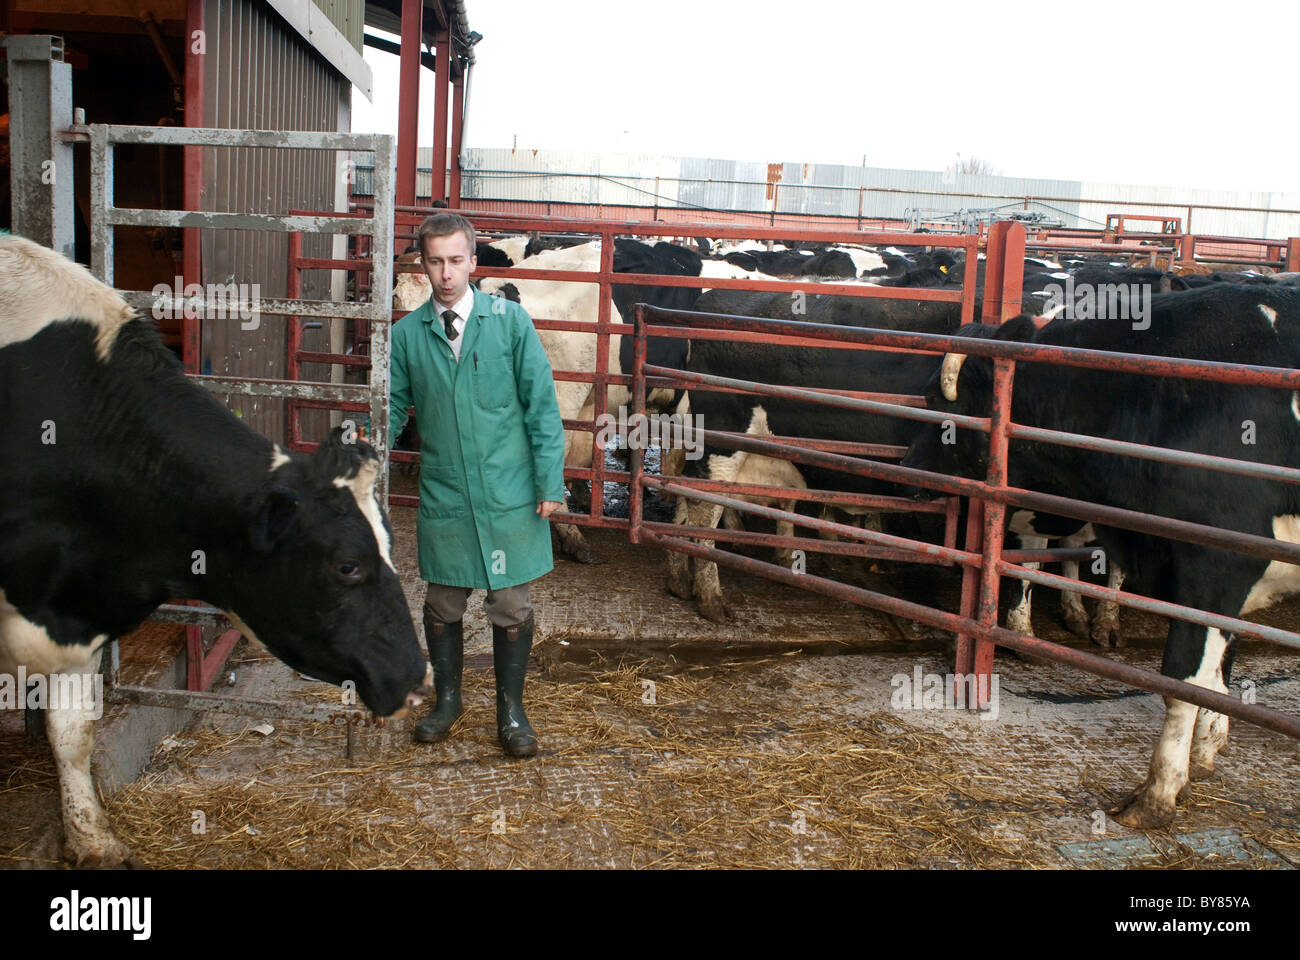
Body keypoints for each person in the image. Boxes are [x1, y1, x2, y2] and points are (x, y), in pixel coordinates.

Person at [389, 212, 565, 757]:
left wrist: (550, 481)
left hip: (509, 491)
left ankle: (511, 712)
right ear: (422, 264)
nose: (446, 273)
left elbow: (542, 407)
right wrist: (360, 461)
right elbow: (391, 409)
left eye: (456, 260)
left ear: (473, 260)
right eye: (435, 261)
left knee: (510, 604)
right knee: (442, 603)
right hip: (446, 493)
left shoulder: (511, 323)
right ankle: (447, 701)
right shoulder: (405, 336)